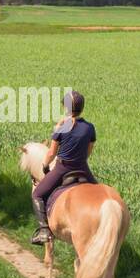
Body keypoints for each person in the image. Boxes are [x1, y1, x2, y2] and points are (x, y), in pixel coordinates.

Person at [30, 90, 96, 244]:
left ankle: (44, 231)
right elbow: (89, 151)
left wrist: (45, 166)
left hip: (63, 168)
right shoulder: (89, 127)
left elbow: (52, 153)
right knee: (99, 192)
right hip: (83, 168)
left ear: (66, 108)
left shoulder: (62, 127)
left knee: (37, 194)